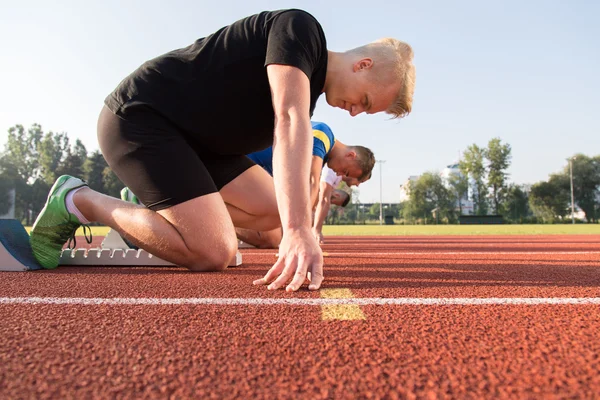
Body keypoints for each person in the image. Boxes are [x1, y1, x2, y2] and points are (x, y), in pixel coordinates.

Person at [29, 9, 416, 292]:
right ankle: (80, 199)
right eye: (365, 101)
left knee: (270, 211)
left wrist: (291, 223)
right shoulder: (301, 29)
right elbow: (289, 120)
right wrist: (299, 230)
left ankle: (163, 213)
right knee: (213, 252)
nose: (356, 111)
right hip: (142, 119)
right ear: (363, 65)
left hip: (199, 146)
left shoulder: (311, 85)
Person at [237, 120, 374, 248]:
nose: (340, 175)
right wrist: (301, 232)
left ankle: (224, 222)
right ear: (351, 155)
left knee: (271, 239)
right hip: (242, 163)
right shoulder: (322, 133)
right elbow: (312, 182)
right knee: (278, 214)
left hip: (253, 175)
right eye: (346, 171)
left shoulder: (322, 158)